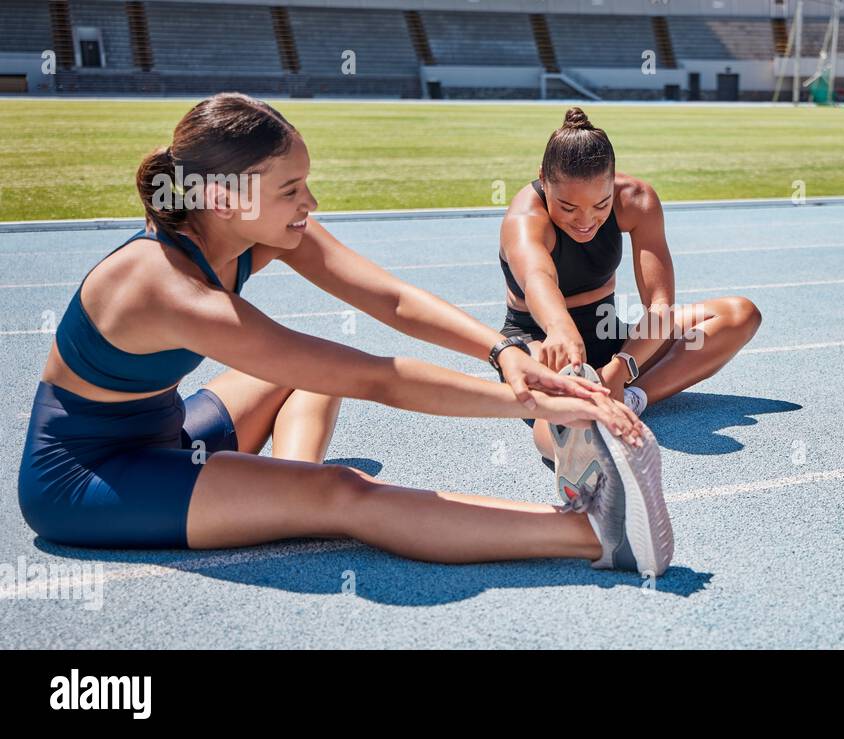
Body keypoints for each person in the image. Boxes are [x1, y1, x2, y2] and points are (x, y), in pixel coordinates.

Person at [17, 93, 674, 576]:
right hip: (89, 478)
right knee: (343, 493)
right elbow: (373, 378)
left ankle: (279, 494)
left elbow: (389, 298)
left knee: (298, 389)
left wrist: (501, 351)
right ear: (225, 199)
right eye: (291, 189)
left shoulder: (249, 230)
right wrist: (540, 402)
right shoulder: (164, 288)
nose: (311, 204)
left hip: (170, 433)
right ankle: (597, 536)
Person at [499, 107, 762, 473]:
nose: (586, 221)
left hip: (610, 340)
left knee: (738, 315)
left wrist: (622, 368)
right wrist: (560, 330)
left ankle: (631, 400)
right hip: (543, 343)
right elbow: (537, 279)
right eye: (568, 208)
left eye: (601, 205)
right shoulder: (524, 219)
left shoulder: (636, 200)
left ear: (612, 183)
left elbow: (659, 307)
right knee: (561, 401)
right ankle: (572, 449)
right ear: (544, 179)